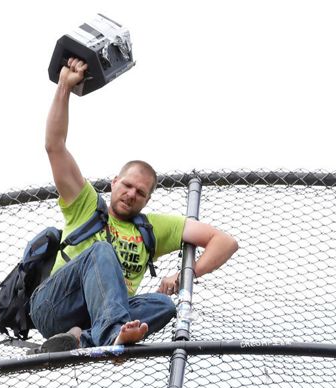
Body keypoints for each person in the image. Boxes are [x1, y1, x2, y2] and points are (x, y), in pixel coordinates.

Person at [31, 56, 239, 352]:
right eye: (127, 186)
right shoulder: (85, 204)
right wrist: (64, 85)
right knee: (102, 251)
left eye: (140, 192)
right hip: (53, 305)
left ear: (147, 199)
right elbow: (55, 146)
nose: (131, 194)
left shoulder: (150, 228)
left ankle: (79, 339)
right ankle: (112, 335)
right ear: (114, 182)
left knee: (164, 305)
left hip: (93, 318)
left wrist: (185, 274)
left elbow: (225, 242)